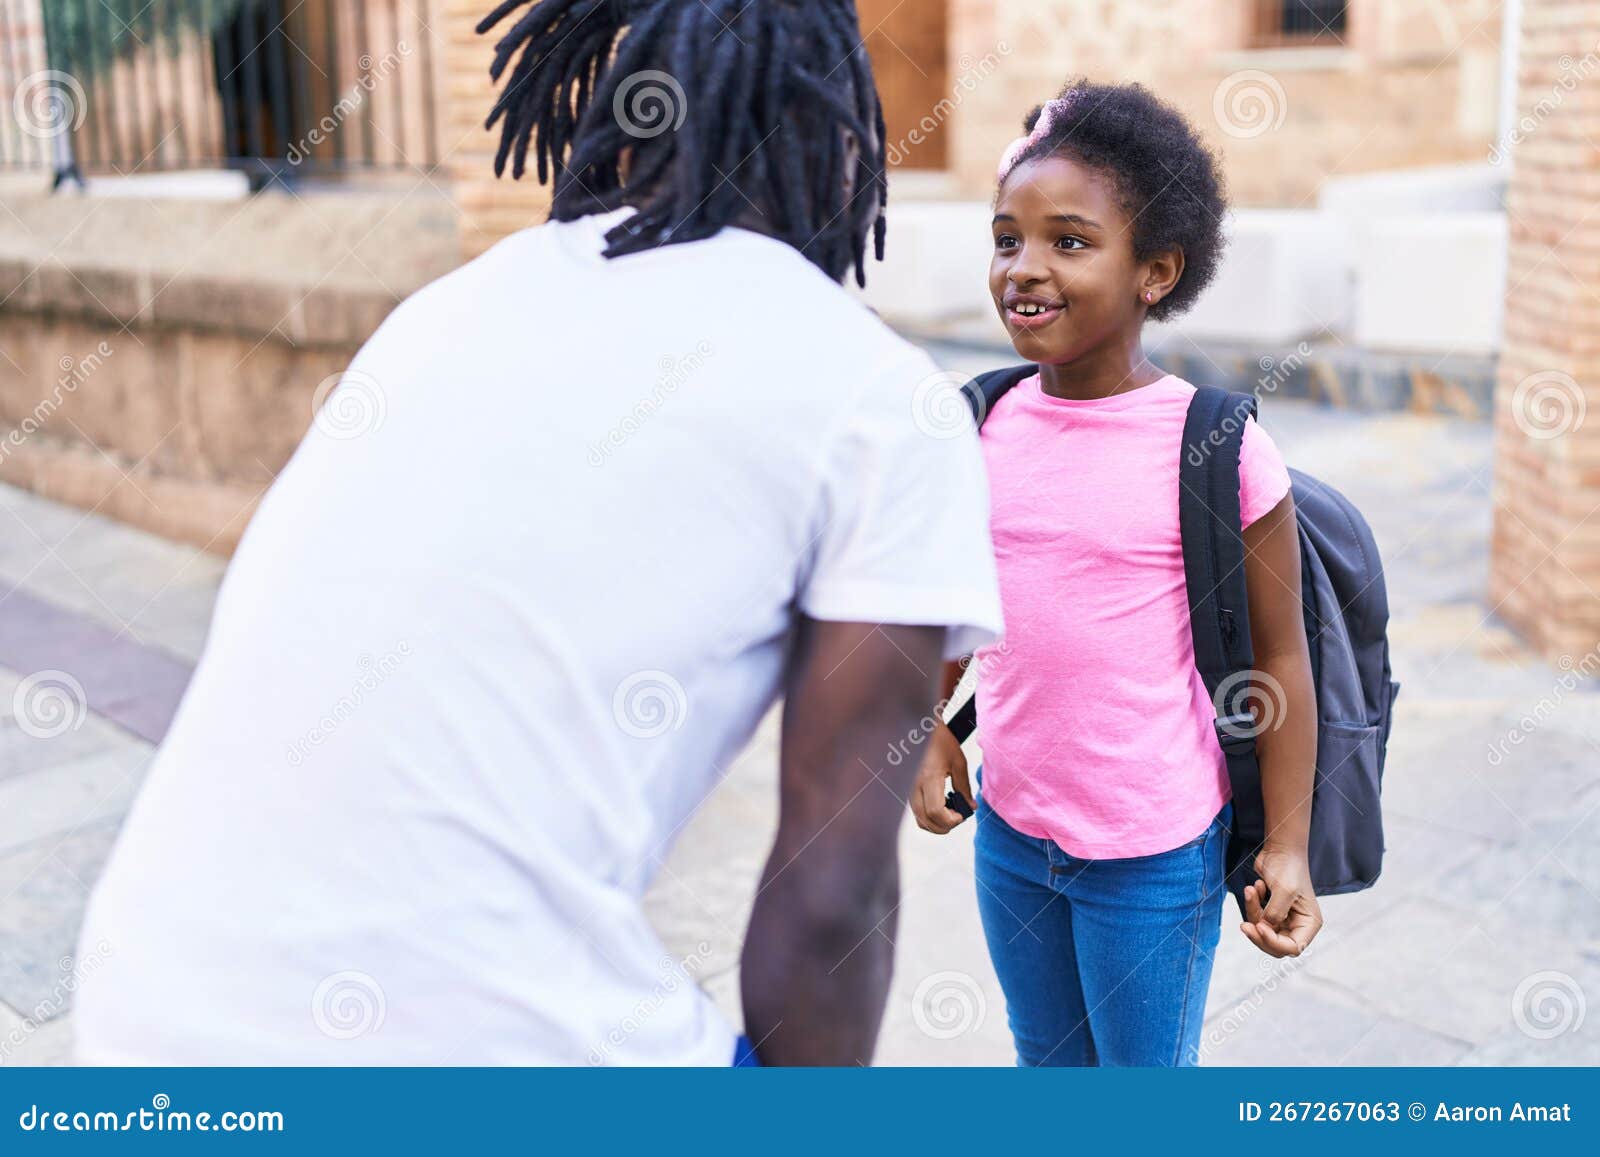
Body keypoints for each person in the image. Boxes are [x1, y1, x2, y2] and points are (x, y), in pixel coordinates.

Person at [75, 0, 1001, 1067]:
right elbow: (831, 901)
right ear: (844, 138)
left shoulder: (444, 309)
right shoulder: (880, 401)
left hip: (138, 1015)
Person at [910, 80, 1323, 1067]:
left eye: (1069, 240)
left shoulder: (1217, 446)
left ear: (1156, 270)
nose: (1025, 268)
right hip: (1010, 836)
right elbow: (945, 614)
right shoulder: (976, 423)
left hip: (1151, 856)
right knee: (1045, 1062)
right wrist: (921, 727)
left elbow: (1281, 657)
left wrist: (1288, 842)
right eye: (1006, 239)